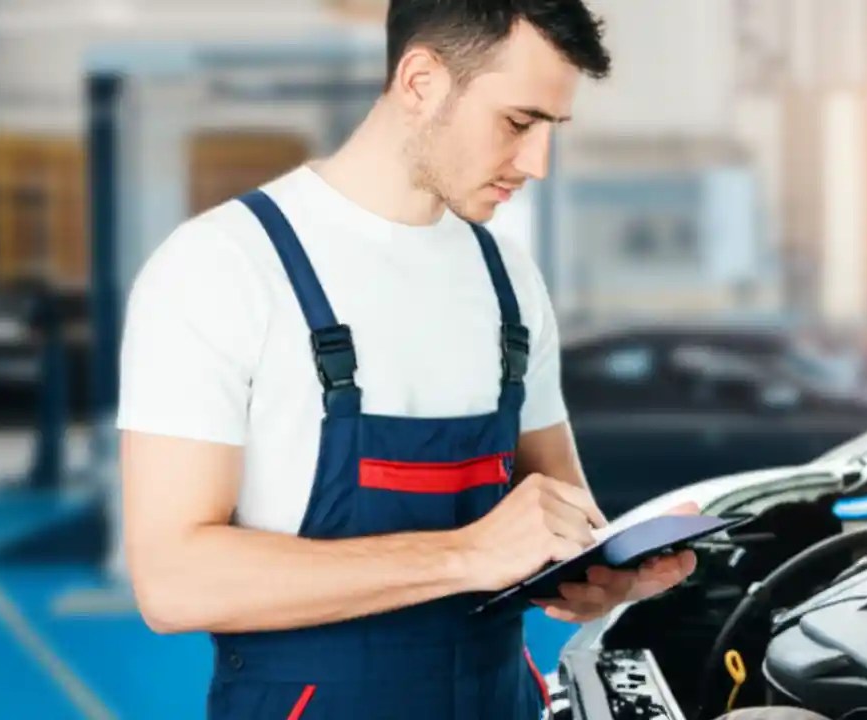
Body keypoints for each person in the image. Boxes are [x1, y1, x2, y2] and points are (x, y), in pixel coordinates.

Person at [117, 2, 697, 717]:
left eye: (552, 129)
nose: (538, 163)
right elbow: (174, 583)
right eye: (517, 123)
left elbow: (559, 513)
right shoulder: (221, 267)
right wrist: (464, 556)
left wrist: (607, 574)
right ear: (421, 80)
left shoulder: (508, 280)